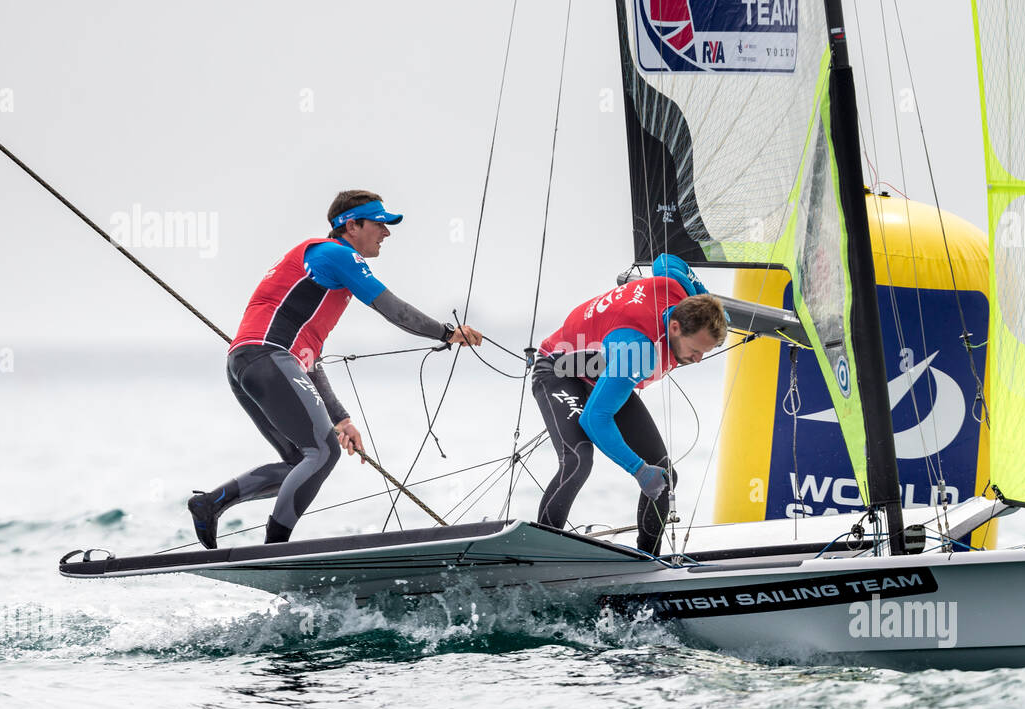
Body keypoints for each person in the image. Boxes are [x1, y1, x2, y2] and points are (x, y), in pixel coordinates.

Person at [188, 190, 482, 548]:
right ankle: (277, 550)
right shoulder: (337, 253)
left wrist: (341, 420)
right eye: (380, 224)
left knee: (302, 462)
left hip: (247, 363)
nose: (386, 233)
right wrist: (448, 333)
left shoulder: (323, 274)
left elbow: (310, 363)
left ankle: (210, 503)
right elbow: (393, 310)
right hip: (268, 359)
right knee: (323, 454)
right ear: (351, 225)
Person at [532, 253, 727, 555]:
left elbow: (666, 260)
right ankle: (539, 555)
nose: (698, 359)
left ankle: (647, 561)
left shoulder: (678, 291)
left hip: (601, 372)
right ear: (674, 327)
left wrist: (707, 297)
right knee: (578, 460)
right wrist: (638, 470)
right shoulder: (637, 350)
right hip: (558, 368)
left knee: (665, 474)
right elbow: (595, 419)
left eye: (705, 351)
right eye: (695, 350)